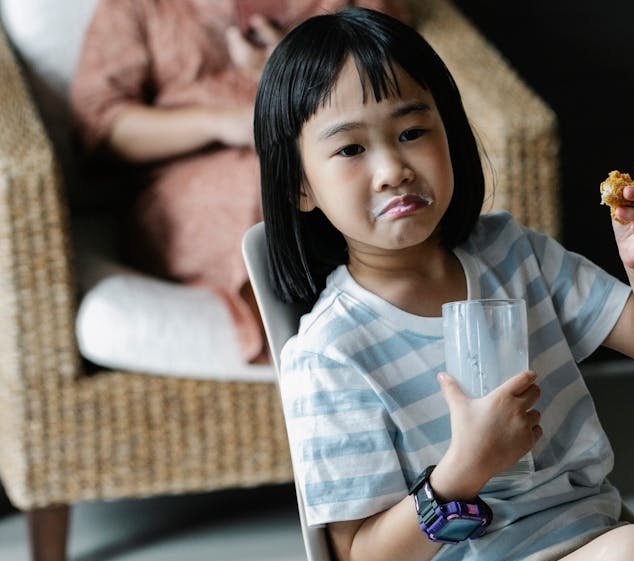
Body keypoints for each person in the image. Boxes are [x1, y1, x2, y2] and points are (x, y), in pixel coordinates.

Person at [257, 8, 634, 561]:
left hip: (603, 549)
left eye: (412, 132)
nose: (392, 168)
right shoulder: (332, 350)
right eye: (351, 148)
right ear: (301, 187)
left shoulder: (510, 253)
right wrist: (463, 470)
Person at [70, 0, 407, 363]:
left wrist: (293, 71)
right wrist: (219, 123)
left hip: (326, 151)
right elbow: (100, 126)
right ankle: (311, 359)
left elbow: (396, 83)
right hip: (193, 175)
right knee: (257, 196)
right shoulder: (139, 6)